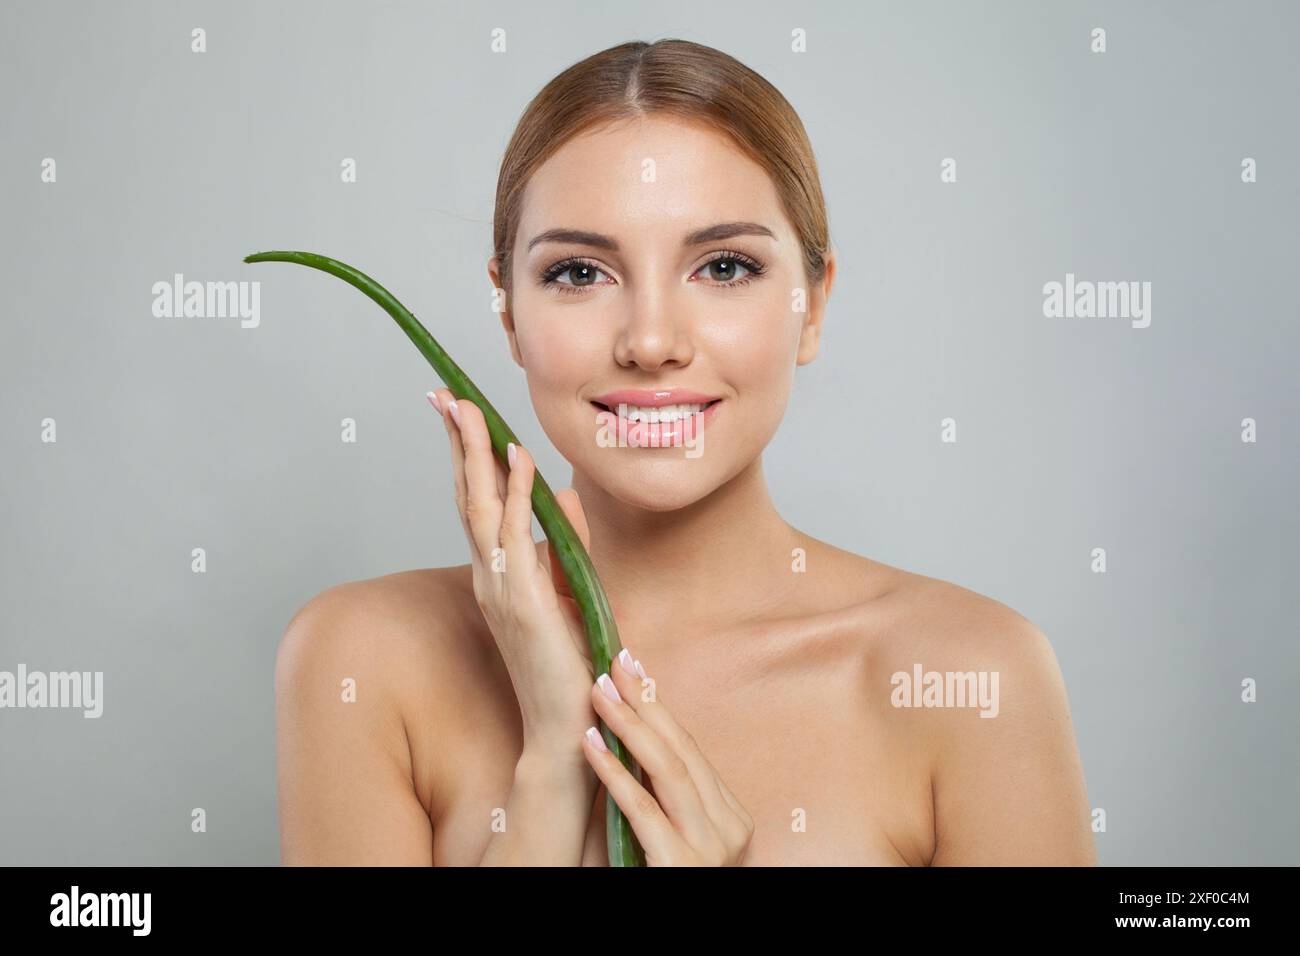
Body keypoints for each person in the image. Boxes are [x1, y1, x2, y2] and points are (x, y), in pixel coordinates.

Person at [275, 38, 1096, 866]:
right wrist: (554, 774)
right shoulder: (362, 660)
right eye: (578, 273)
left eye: (725, 266)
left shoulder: (973, 679)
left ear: (811, 308)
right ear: (509, 315)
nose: (652, 341)